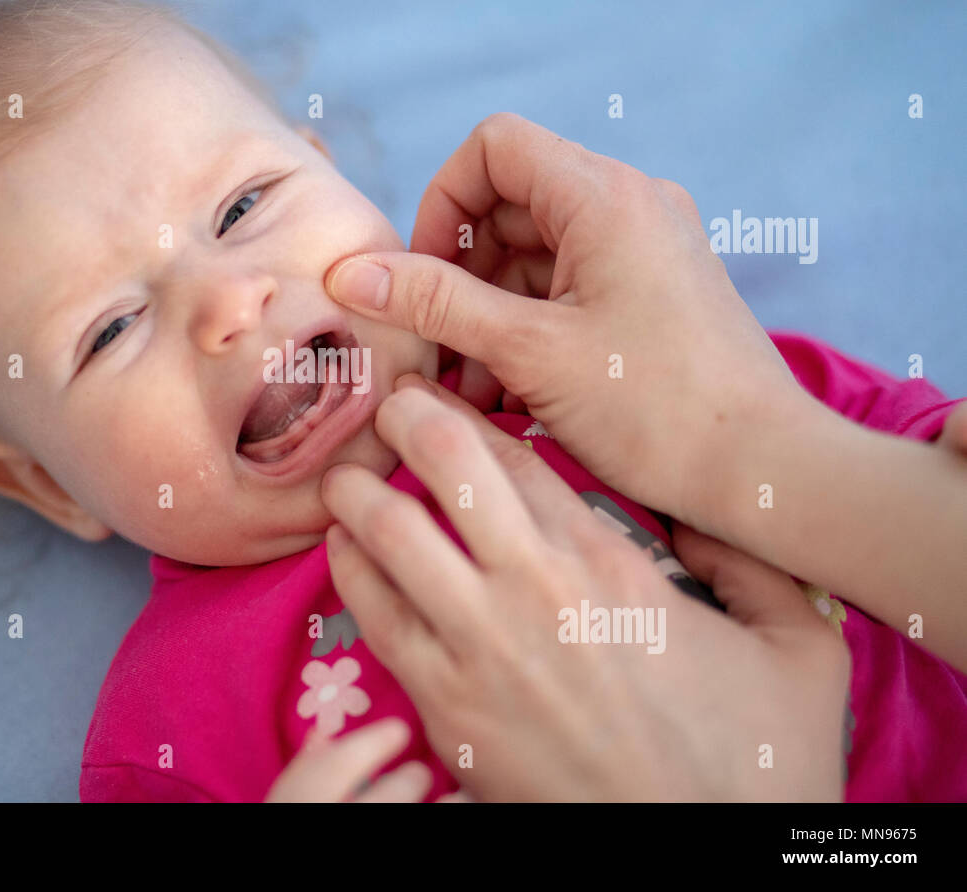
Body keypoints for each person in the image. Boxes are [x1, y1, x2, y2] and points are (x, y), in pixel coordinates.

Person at [317, 113, 967, 800]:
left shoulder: (669, 370)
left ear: (326, 170)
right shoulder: (192, 691)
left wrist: (740, 439)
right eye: (179, 293)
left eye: (242, 207)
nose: (230, 308)